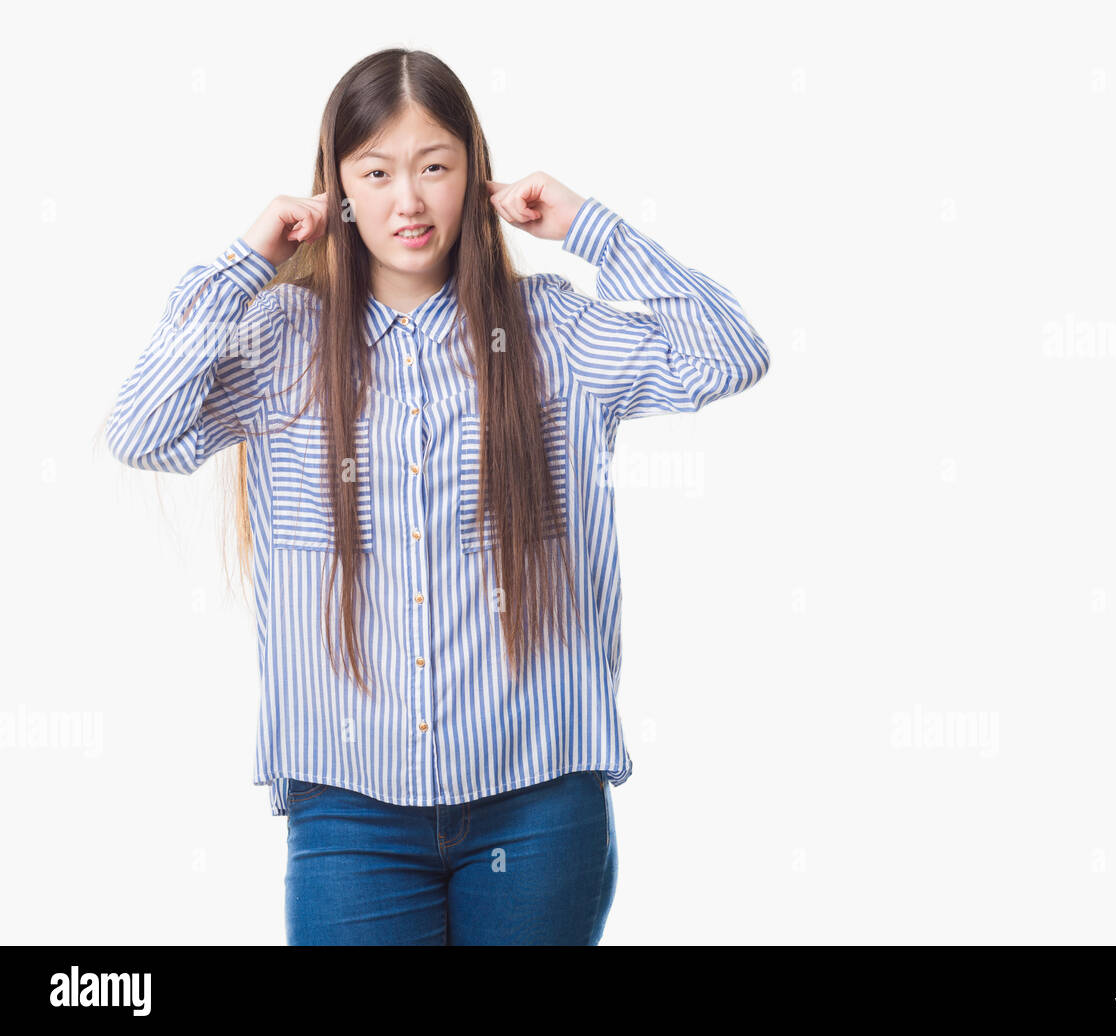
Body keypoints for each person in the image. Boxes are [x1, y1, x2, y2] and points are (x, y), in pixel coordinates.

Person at [106, 47, 771, 945]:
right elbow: (139, 430)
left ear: (474, 176)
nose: (407, 201)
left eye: (434, 167)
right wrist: (245, 260)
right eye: (375, 172)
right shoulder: (280, 342)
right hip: (351, 815)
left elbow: (730, 354)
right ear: (337, 186)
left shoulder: (553, 331)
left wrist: (588, 227)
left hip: (536, 804)